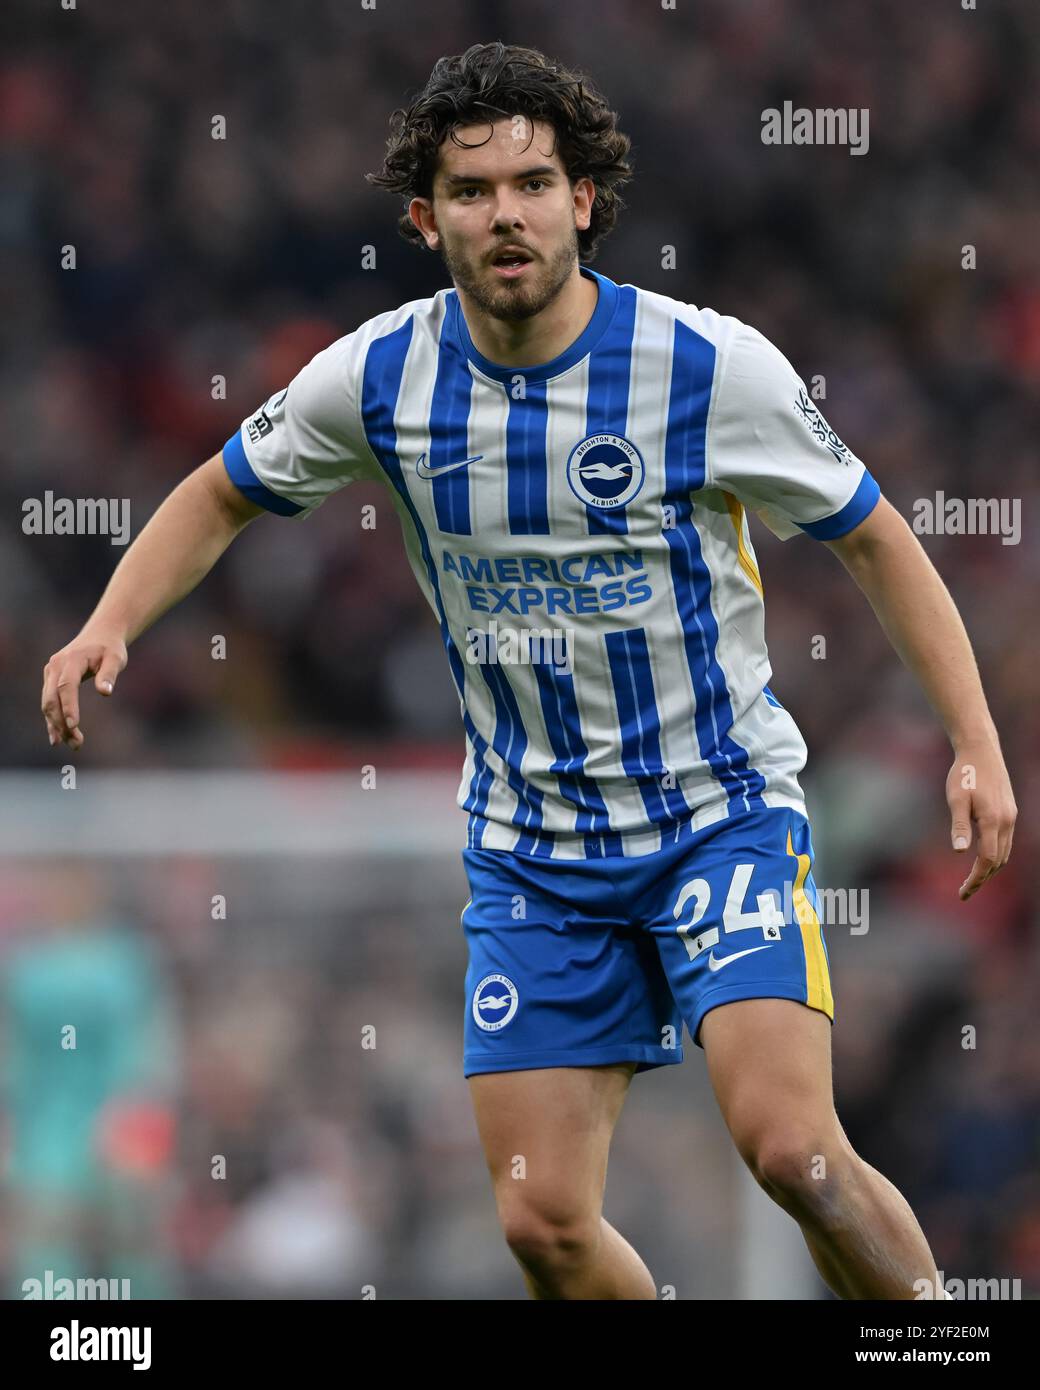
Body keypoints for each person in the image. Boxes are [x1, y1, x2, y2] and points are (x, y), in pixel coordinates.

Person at [40, 42, 1016, 1300]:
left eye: (533, 183)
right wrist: (110, 619)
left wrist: (975, 738)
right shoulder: (378, 378)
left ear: (583, 201)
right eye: (471, 189)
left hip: (715, 814)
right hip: (531, 853)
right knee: (542, 1226)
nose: (506, 212)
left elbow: (875, 537)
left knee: (792, 1155)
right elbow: (221, 491)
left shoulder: (707, 368)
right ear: (424, 215)